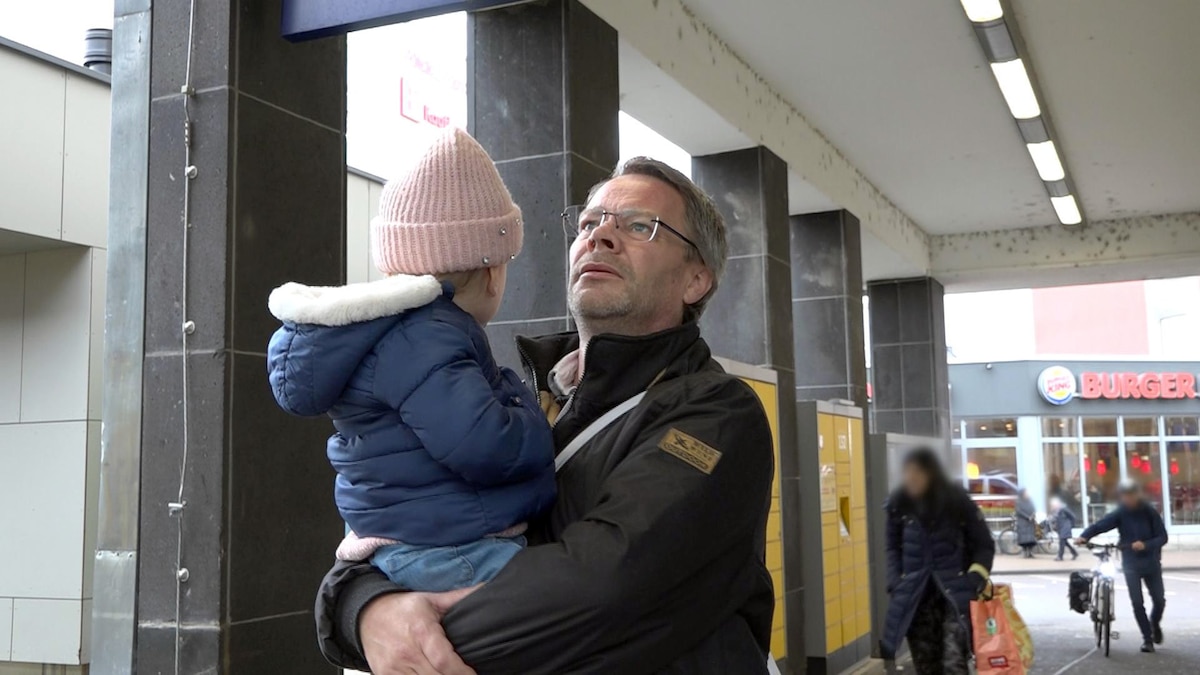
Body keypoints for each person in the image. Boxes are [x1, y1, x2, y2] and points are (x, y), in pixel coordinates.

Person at [314, 156, 776, 674]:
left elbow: (605, 582)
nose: (600, 236)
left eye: (639, 226)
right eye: (590, 222)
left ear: (696, 280)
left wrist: (411, 632)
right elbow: (392, 530)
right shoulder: (525, 401)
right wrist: (364, 608)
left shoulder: (716, 414)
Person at [266, 128, 557, 593]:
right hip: (450, 549)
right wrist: (533, 416)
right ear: (492, 273)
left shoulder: (382, 333)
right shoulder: (428, 337)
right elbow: (484, 445)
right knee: (561, 601)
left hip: (402, 537)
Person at [882, 448, 995, 675]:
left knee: (954, 663)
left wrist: (974, 579)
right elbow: (892, 548)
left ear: (931, 473)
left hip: (954, 597)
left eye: (917, 473)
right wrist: (896, 581)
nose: (911, 478)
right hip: (916, 598)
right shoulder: (899, 505)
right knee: (926, 666)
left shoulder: (957, 502)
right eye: (908, 472)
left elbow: (984, 544)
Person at [1076, 479, 1169, 653]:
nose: (1128, 500)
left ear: (1137, 495)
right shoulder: (1121, 512)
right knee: (1137, 602)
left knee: (1159, 600)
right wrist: (1085, 536)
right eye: (1125, 496)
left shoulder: (1149, 512)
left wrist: (1146, 545)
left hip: (1151, 562)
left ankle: (1154, 623)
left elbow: (1163, 537)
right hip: (1131, 563)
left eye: (1130, 496)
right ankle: (1147, 639)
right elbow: (1101, 525)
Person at [1049, 496, 1078, 561]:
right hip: (1061, 528)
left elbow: (1073, 516)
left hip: (1065, 528)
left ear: (1058, 504)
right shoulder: (1056, 511)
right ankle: (1074, 553)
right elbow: (1055, 520)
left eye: (1054, 505)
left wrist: (1071, 525)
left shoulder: (1064, 509)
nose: (1053, 506)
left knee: (1062, 542)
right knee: (1065, 542)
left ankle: (1060, 556)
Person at [1015, 488, 1038, 558]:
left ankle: (1030, 552)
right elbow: (1019, 511)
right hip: (1023, 522)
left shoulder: (1030, 500)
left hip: (1030, 522)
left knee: (1031, 539)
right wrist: (1027, 517)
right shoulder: (1019, 502)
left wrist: (1033, 515)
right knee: (1024, 539)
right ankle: (1025, 551)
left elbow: (1034, 508)